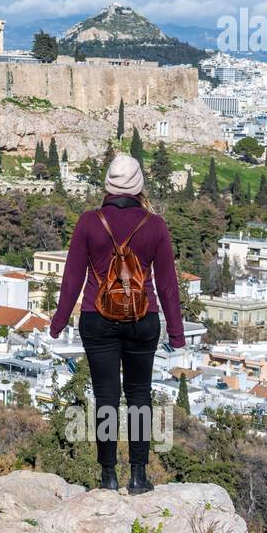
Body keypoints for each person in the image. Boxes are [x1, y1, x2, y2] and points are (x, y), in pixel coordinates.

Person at [47, 153, 186, 493]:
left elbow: (72, 279)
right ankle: (138, 477)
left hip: (98, 318)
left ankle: (108, 477)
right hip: (143, 319)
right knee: (139, 395)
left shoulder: (88, 222)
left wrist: (59, 322)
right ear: (138, 184)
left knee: (106, 397)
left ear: (107, 184)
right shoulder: (155, 225)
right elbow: (168, 284)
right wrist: (177, 334)